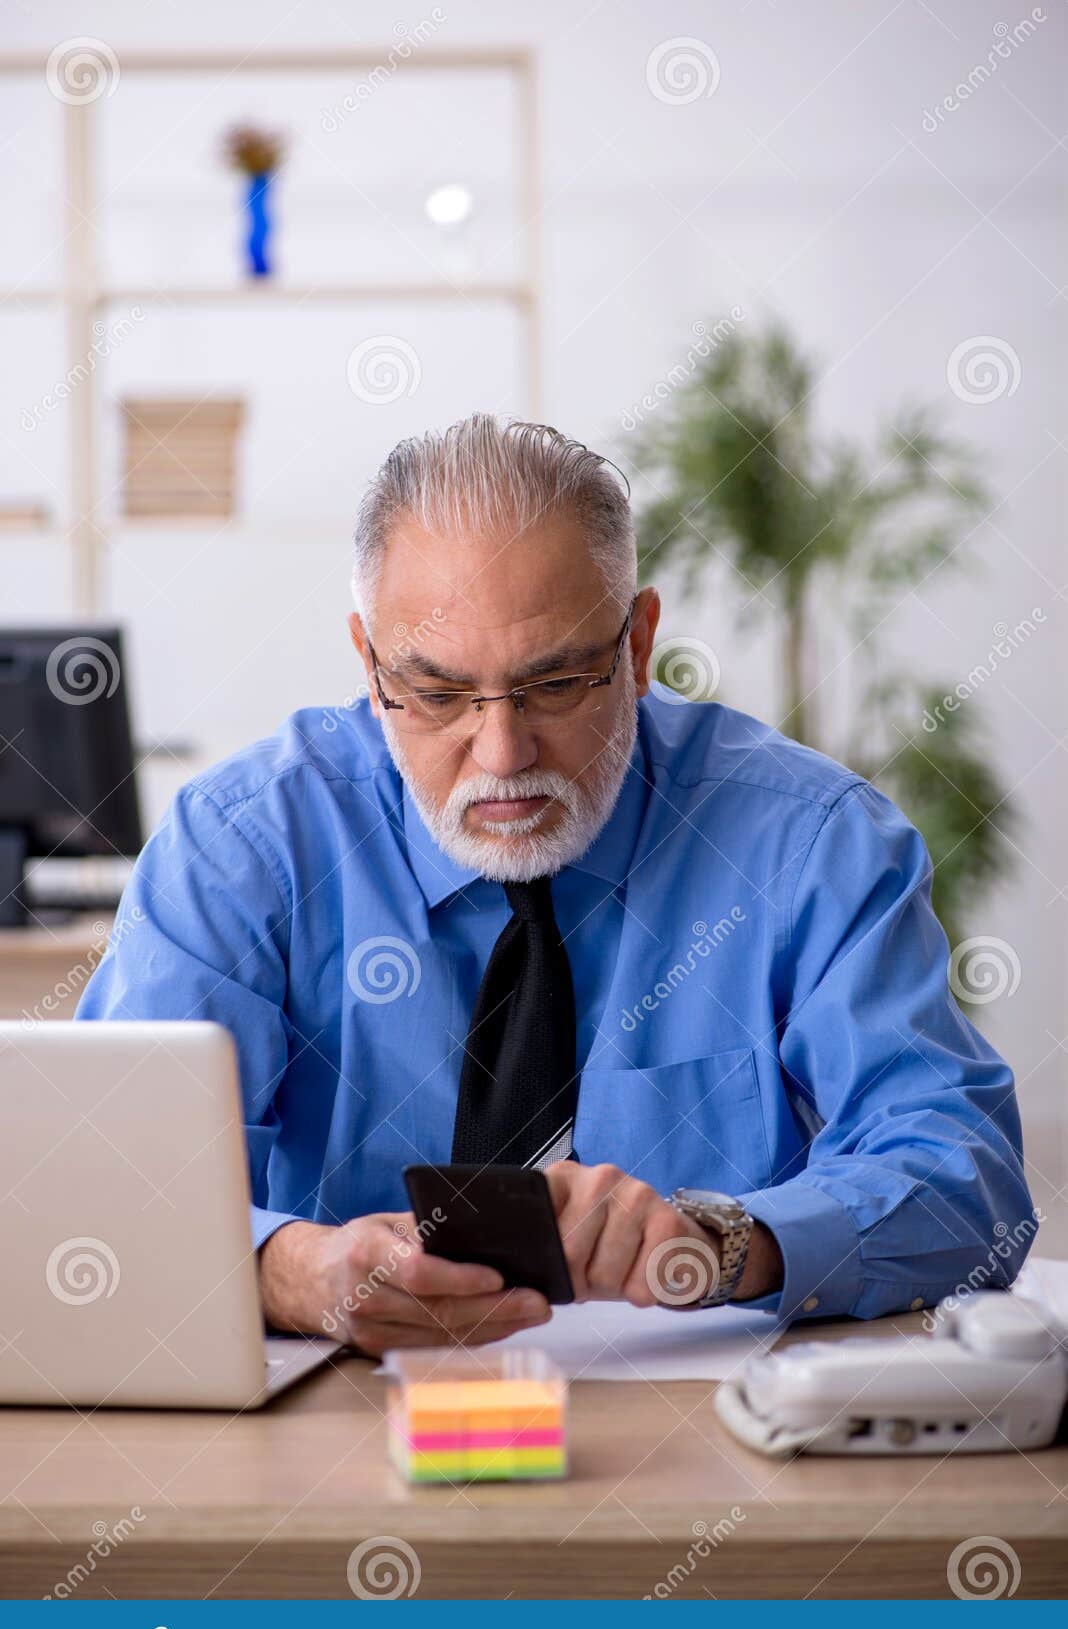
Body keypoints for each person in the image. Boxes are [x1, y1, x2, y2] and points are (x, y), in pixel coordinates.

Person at [78, 415, 1033, 1356]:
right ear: (371, 669)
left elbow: (966, 1176)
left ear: (639, 643)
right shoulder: (244, 847)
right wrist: (289, 1274)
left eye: (556, 684)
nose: (502, 754)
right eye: (440, 694)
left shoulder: (808, 843)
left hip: (701, 1452)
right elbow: (104, 1190)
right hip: (325, 1434)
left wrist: (721, 1239)